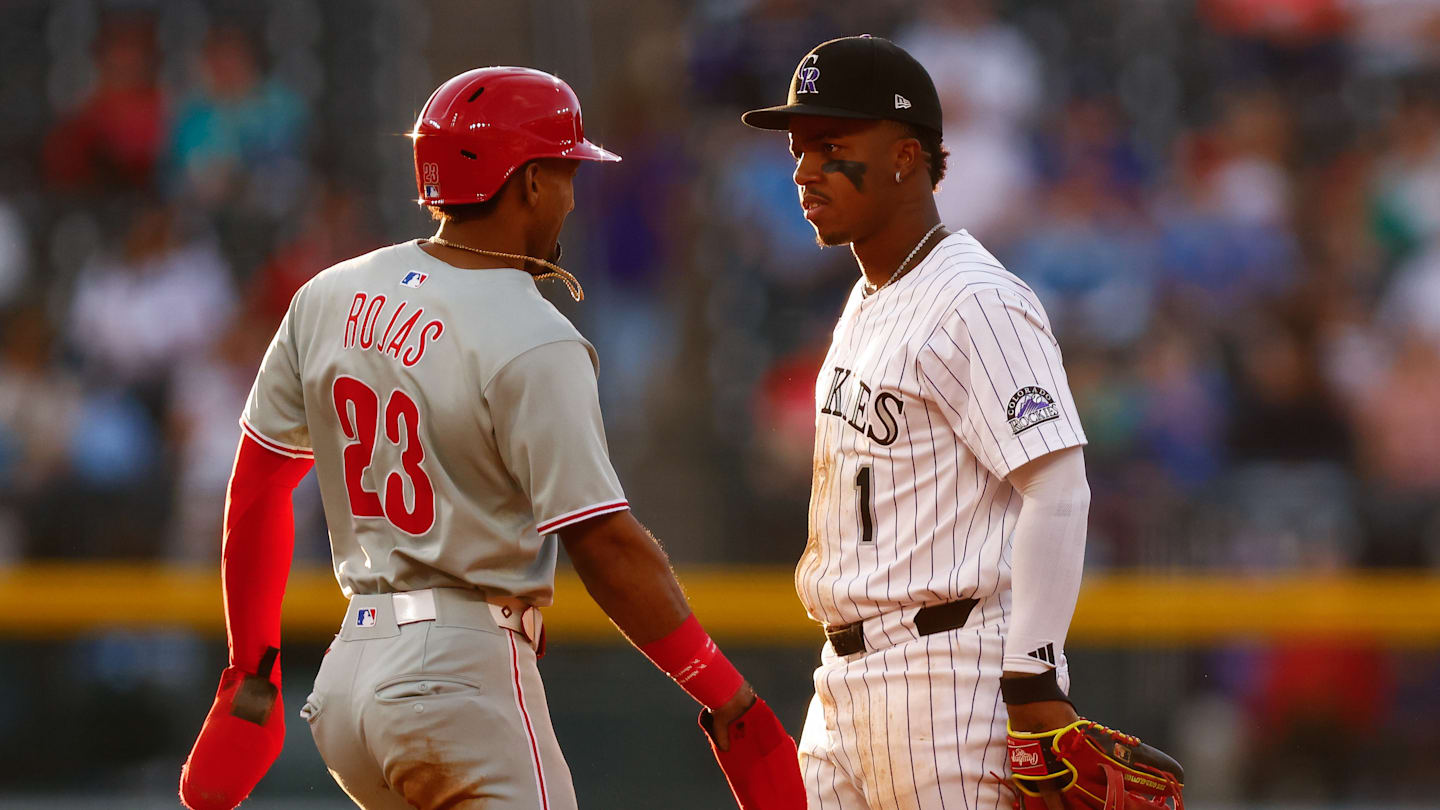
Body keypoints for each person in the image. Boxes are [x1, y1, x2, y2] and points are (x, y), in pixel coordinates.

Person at [179, 66, 804, 810]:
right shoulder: (535, 336)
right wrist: (725, 694)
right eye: (567, 173)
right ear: (531, 182)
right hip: (459, 675)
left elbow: (258, 487)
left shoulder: (329, 293)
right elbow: (603, 545)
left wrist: (251, 668)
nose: (573, 195)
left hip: (349, 683)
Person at [743, 36, 1093, 808]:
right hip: (844, 679)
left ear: (906, 156)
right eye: (799, 148)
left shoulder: (977, 298)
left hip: (949, 681)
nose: (803, 169)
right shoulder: (869, 295)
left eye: (830, 146)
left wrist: (1033, 672)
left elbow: (1060, 487)